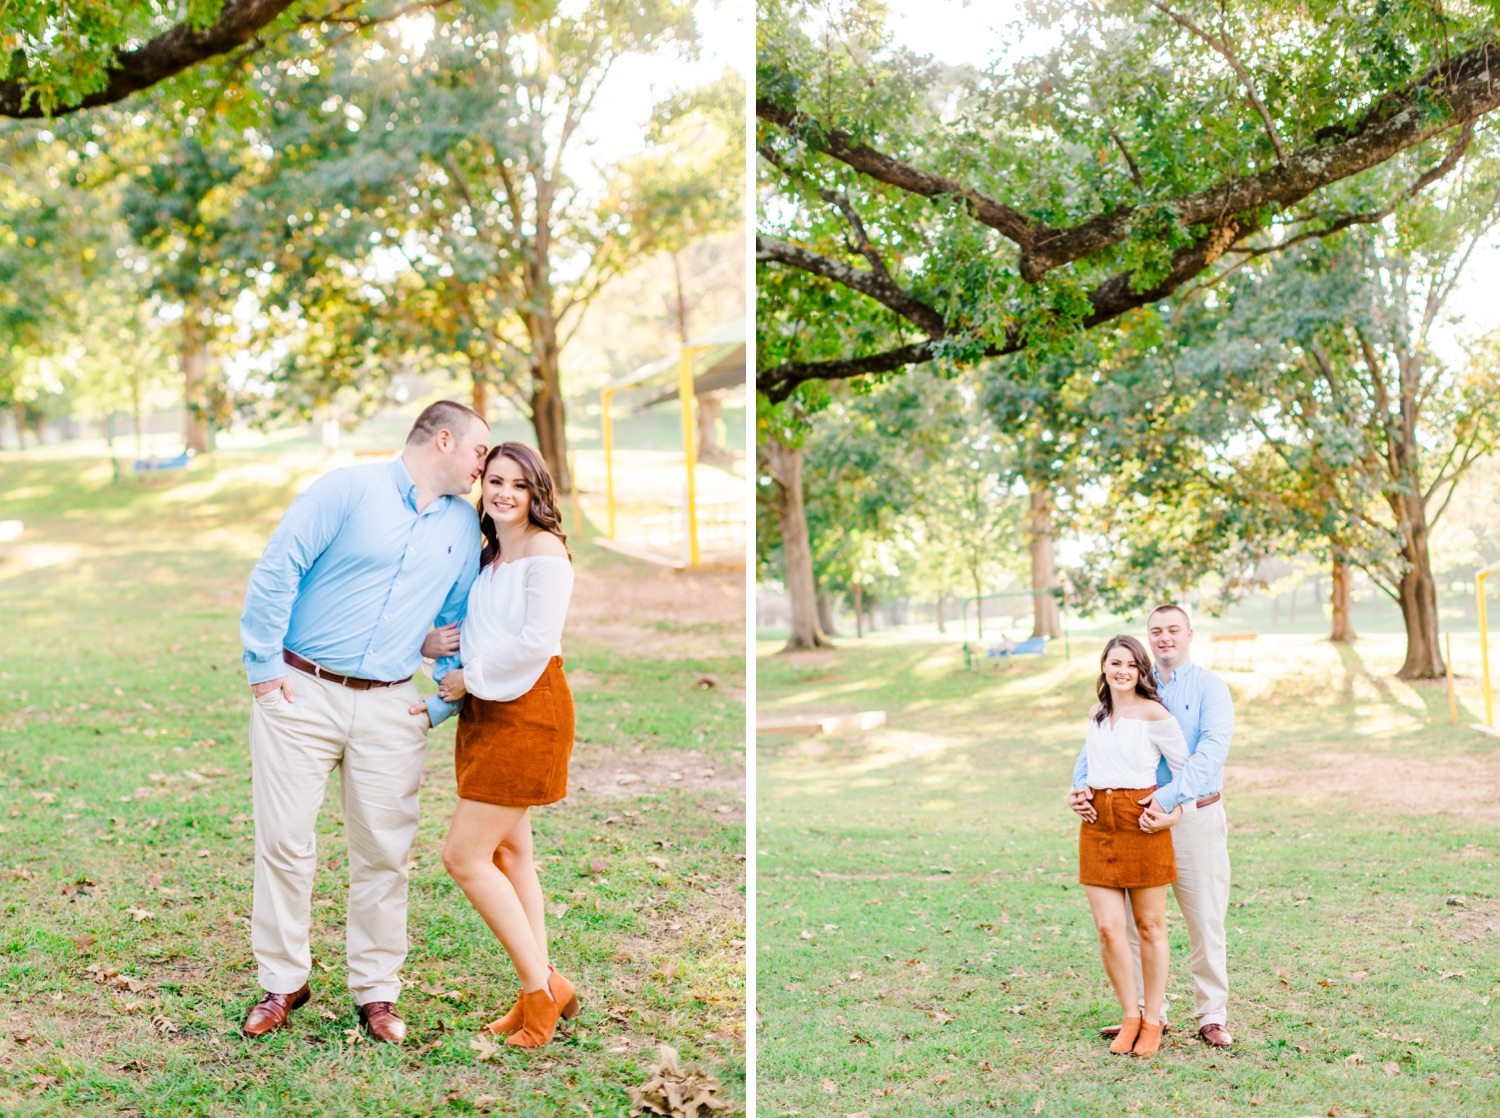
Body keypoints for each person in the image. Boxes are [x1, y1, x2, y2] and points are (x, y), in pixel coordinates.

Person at [238, 401, 489, 1044]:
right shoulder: (346, 489)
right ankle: (283, 981)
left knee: (384, 853)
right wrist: (264, 670)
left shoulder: (463, 524)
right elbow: (278, 568)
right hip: (302, 691)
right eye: (479, 451)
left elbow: (459, 618)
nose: (482, 467)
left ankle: (377, 992)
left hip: (391, 705)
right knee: (285, 842)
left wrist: (442, 699)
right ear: (443, 440)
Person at [417, 441, 580, 1050]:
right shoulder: (490, 556)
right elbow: (476, 631)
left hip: (529, 710)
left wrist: (470, 678)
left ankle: (541, 992)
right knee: (511, 855)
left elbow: (536, 643)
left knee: (464, 856)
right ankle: (542, 983)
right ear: (481, 487)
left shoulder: (545, 553)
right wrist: (435, 651)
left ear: (537, 492)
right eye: (495, 481)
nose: (505, 494)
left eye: (519, 484)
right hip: (485, 710)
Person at [1069, 603, 1236, 1049]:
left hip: (1191, 814)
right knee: (1133, 923)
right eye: (1156, 631)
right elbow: (1093, 750)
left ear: (1189, 634)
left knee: (1203, 915)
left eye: (1173, 629)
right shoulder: (1128, 684)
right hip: (1132, 821)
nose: (1165, 637)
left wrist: (1168, 799)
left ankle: (1211, 1014)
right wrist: (1080, 787)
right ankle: (1146, 1013)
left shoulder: (1209, 687)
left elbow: (1209, 753)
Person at [1071, 634, 1188, 1058]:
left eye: (1131, 665)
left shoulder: (1154, 713)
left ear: (1141, 671)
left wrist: (1172, 812)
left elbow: (1185, 770)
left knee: (1151, 926)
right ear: (1104, 666)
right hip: (1098, 824)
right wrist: (1078, 792)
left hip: (1141, 821)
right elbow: (1091, 765)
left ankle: (1153, 1020)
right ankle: (1130, 1016)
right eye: (1115, 663)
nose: (1122, 671)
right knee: (1108, 930)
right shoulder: (1097, 714)